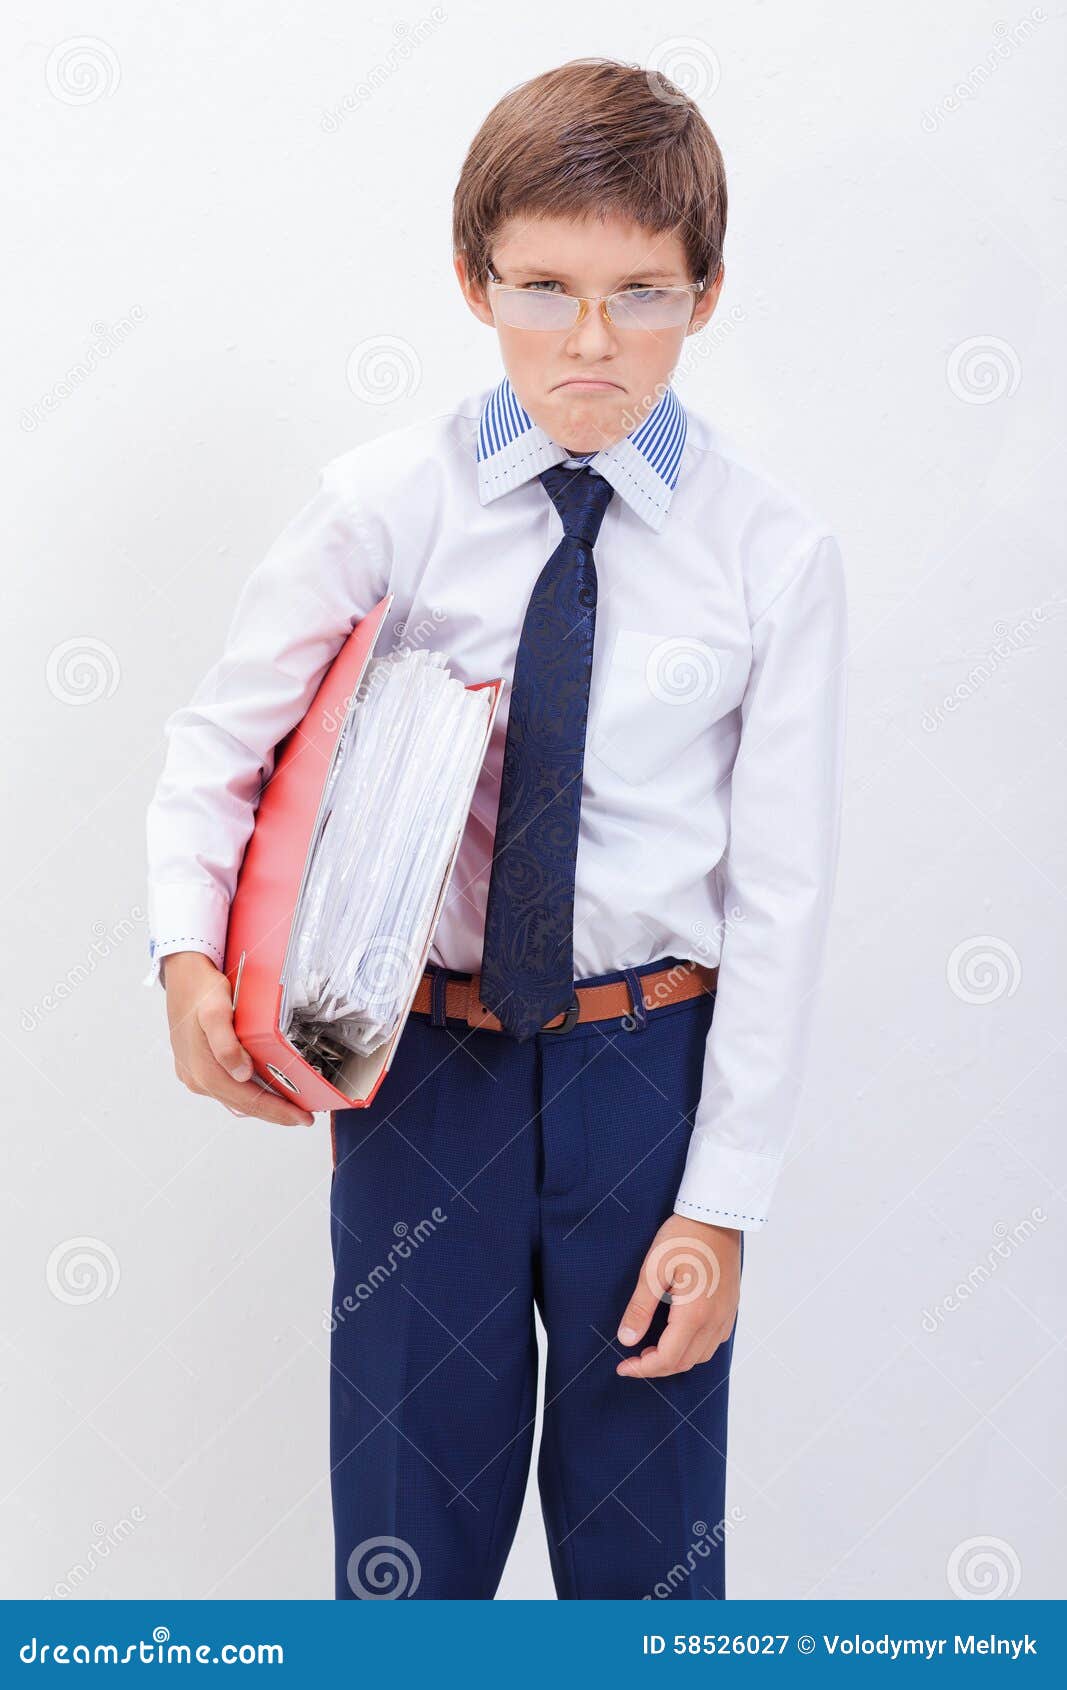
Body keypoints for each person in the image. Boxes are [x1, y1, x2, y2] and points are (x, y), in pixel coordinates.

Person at [145, 56, 848, 1600]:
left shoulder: (770, 555)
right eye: (543, 286)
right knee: (407, 1547)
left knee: (650, 1565)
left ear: (706, 294)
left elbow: (783, 893)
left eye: (640, 292)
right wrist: (189, 960)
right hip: (423, 1079)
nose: (590, 340)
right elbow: (221, 743)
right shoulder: (390, 502)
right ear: (474, 281)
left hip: (646, 1080)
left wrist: (720, 1204)